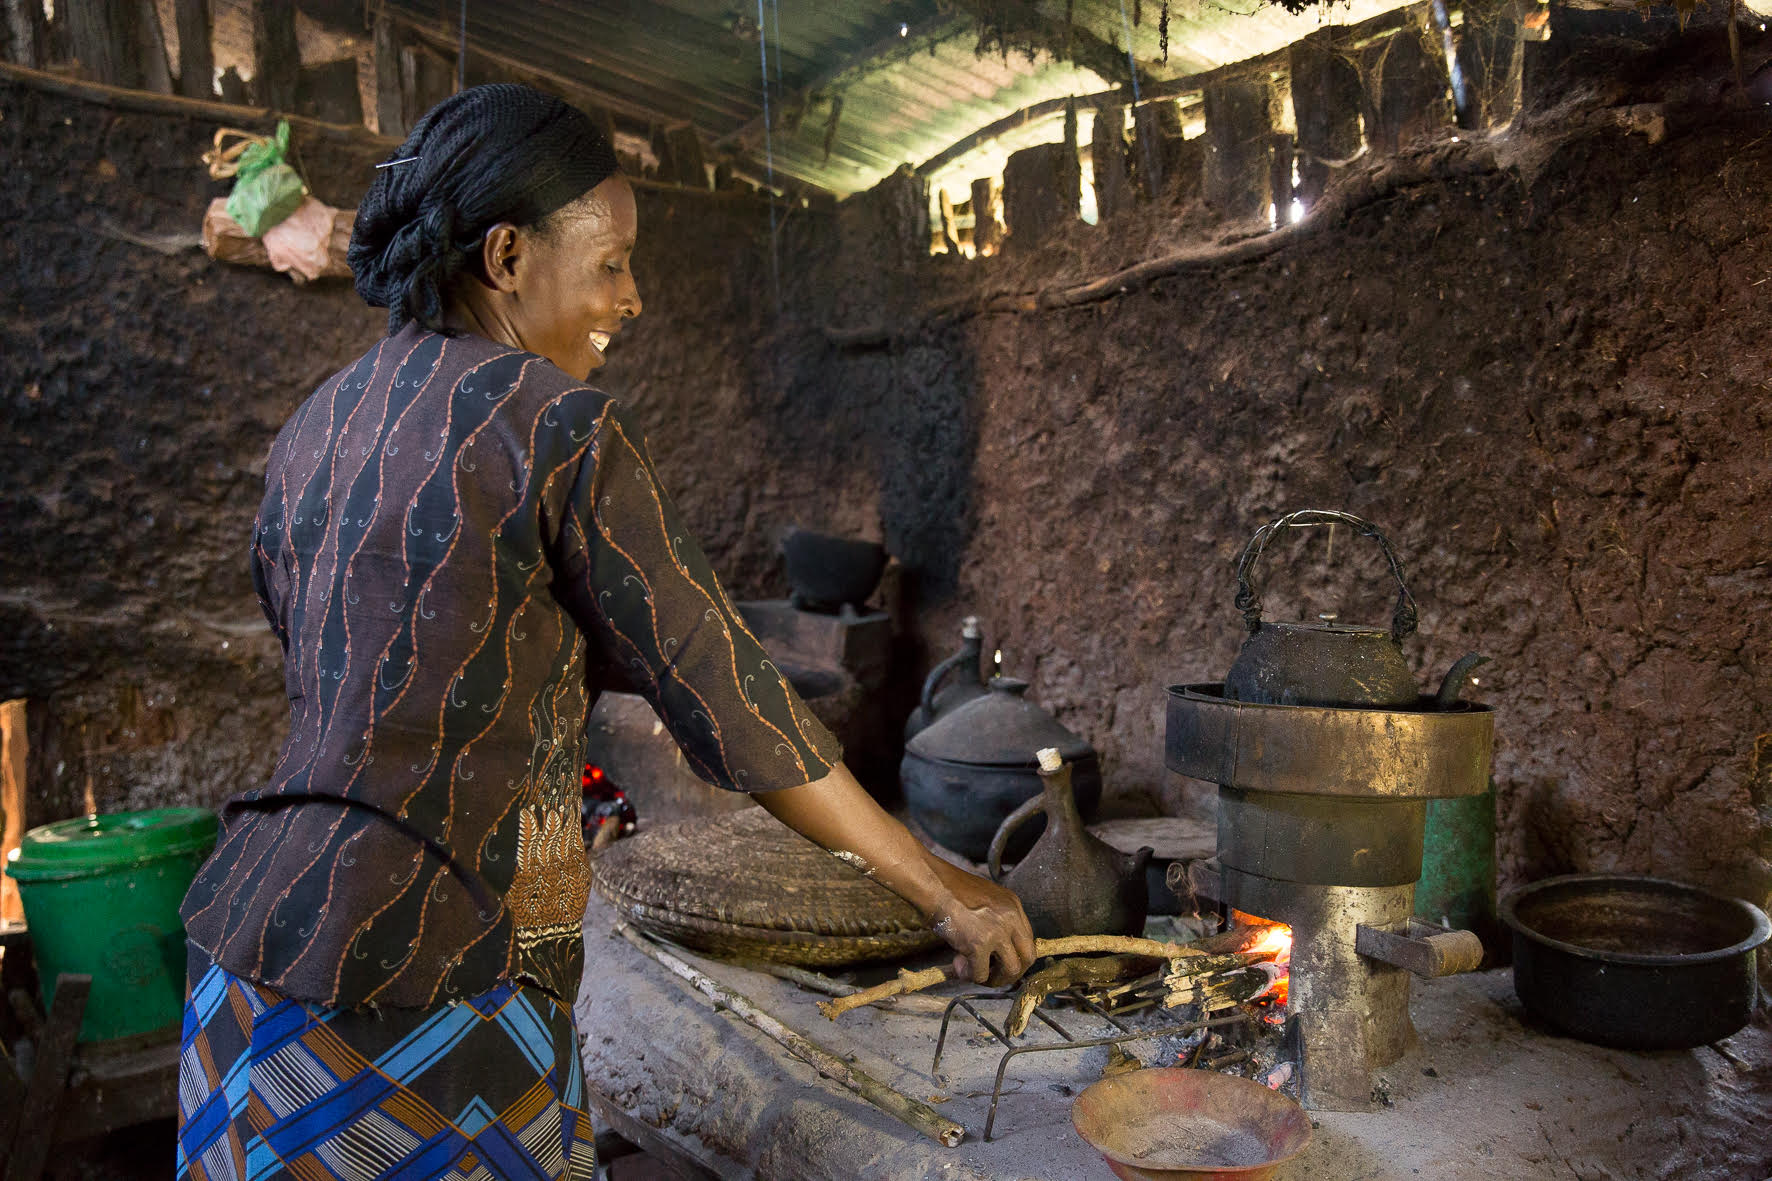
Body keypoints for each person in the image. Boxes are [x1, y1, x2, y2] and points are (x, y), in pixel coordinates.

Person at [174, 84, 1033, 1181]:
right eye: (612, 262)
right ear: (506, 258)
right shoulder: (559, 426)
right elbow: (734, 700)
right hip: (422, 990)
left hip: (237, 963)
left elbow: (360, 683)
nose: (631, 298)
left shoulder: (318, 420)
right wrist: (942, 885)